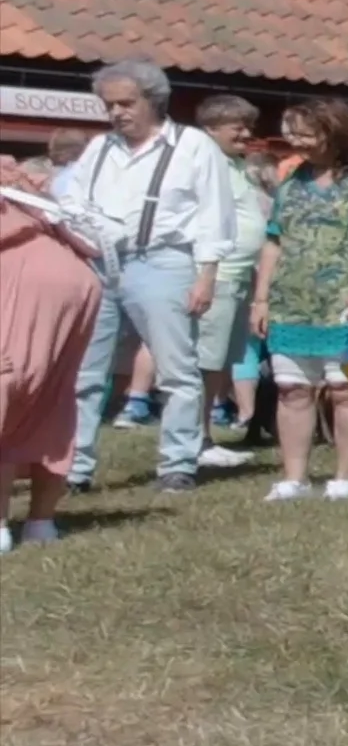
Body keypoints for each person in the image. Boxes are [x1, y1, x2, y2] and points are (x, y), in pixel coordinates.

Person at [55, 59, 244, 496]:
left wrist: (206, 274)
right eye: (109, 105)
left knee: (177, 370)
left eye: (126, 103)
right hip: (99, 262)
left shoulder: (193, 146)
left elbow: (215, 213)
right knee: (85, 371)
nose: (116, 112)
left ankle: (177, 463)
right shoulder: (100, 148)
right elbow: (71, 199)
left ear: (153, 100)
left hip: (164, 261)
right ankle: (73, 467)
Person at [252, 97, 348, 503]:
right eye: (290, 134)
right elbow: (274, 239)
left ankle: (345, 476)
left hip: (346, 299)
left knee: (346, 389)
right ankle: (294, 478)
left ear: (334, 131)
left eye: (305, 134)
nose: (295, 142)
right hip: (291, 301)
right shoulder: (293, 179)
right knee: (291, 389)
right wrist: (261, 299)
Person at [0, 156, 108, 552]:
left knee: (8, 396)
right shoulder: (19, 180)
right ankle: (41, 523)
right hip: (72, 276)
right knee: (51, 399)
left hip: (20, 277)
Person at [186, 96, 271, 467]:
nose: (247, 134)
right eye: (238, 127)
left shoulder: (236, 165)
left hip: (237, 276)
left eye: (248, 126)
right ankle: (194, 441)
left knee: (220, 363)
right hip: (214, 277)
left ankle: (203, 435)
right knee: (204, 364)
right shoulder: (202, 164)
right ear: (210, 129)